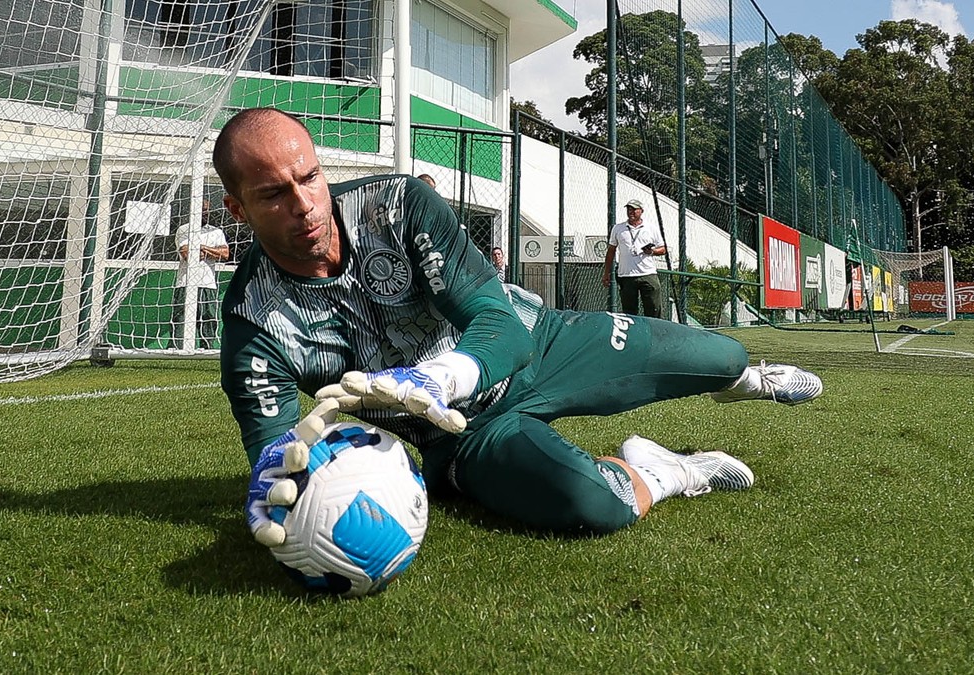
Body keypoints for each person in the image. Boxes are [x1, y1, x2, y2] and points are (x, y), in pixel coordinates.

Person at [213, 108, 822, 549]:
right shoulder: (252, 319)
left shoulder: (397, 204)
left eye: (310, 178)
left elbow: (501, 328)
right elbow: (274, 452)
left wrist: (437, 378)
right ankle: (669, 470)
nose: (305, 205)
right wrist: (274, 486)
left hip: (543, 344)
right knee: (595, 505)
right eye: (273, 195)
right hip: (463, 435)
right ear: (237, 209)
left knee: (724, 355)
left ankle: (744, 381)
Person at [171, 198, 230, 349]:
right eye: (202, 210)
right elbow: (187, 254)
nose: (205, 213)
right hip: (185, 282)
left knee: (208, 318)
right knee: (181, 318)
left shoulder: (216, 232)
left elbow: (225, 254)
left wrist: (202, 247)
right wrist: (210, 251)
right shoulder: (184, 230)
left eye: (207, 210)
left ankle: (207, 348)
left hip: (207, 283)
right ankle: (177, 349)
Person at [603, 199, 666, 318]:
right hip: (626, 276)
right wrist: (606, 273)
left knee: (654, 309)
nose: (631, 212)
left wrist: (652, 251)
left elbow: (663, 249)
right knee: (629, 313)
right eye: (629, 209)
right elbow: (611, 251)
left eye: (634, 209)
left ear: (641, 211)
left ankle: (654, 329)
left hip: (648, 274)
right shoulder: (618, 228)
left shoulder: (651, 228)